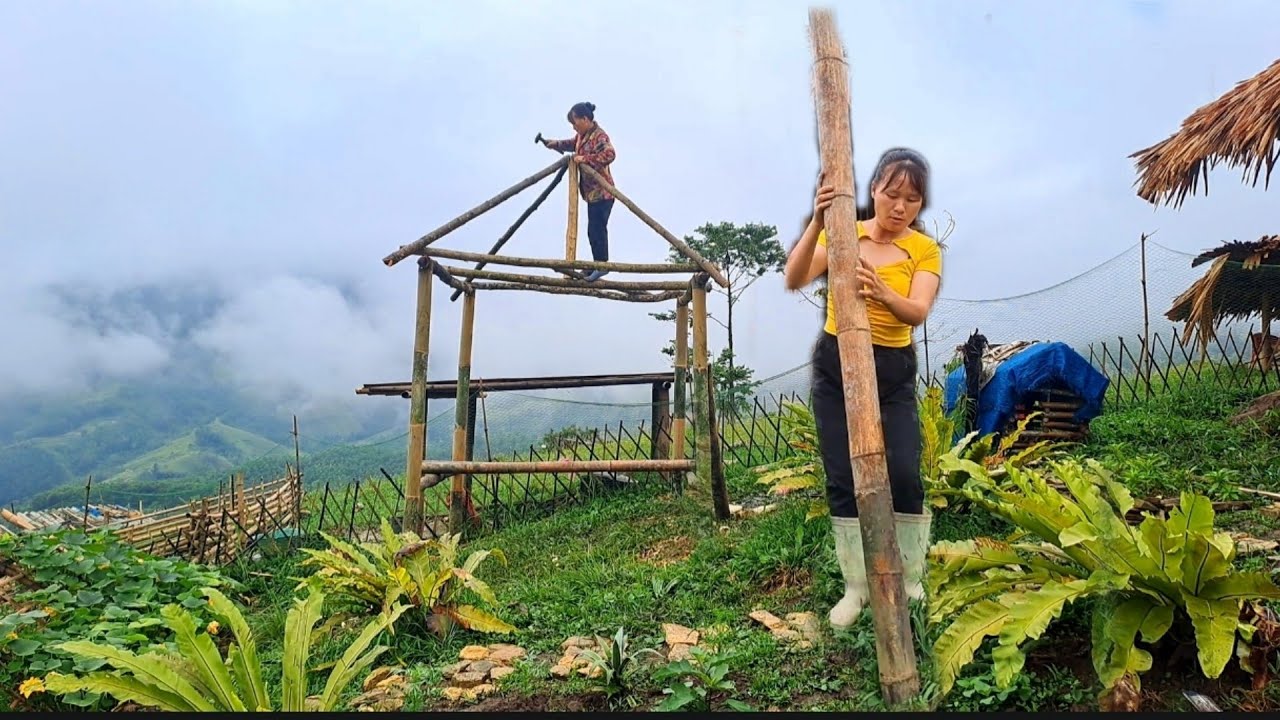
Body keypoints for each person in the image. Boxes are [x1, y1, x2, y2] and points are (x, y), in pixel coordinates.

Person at [782, 147, 942, 631]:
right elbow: (795, 277)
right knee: (841, 474)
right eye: (892, 194)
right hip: (836, 364)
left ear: (920, 204)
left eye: (911, 199)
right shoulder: (847, 234)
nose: (899, 206)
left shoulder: (923, 250)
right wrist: (816, 221)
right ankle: (856, 587)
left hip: (891, 367)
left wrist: (884, 294)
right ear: (874, 190)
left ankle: (911, 577)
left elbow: (917, 311)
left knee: (903, 470)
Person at [542, 102, 617, 282]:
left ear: (585, 119)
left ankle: (602, 265)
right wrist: (556, 144)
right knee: (593, 230)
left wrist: (585, 159)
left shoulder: (599, 136)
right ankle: (596, 264)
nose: (574, 127)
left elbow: (610, 154)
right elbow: (571, 143)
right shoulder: (582, 136)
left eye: (575, 122)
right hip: (591, 194)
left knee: (597, 229)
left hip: (603, 192)